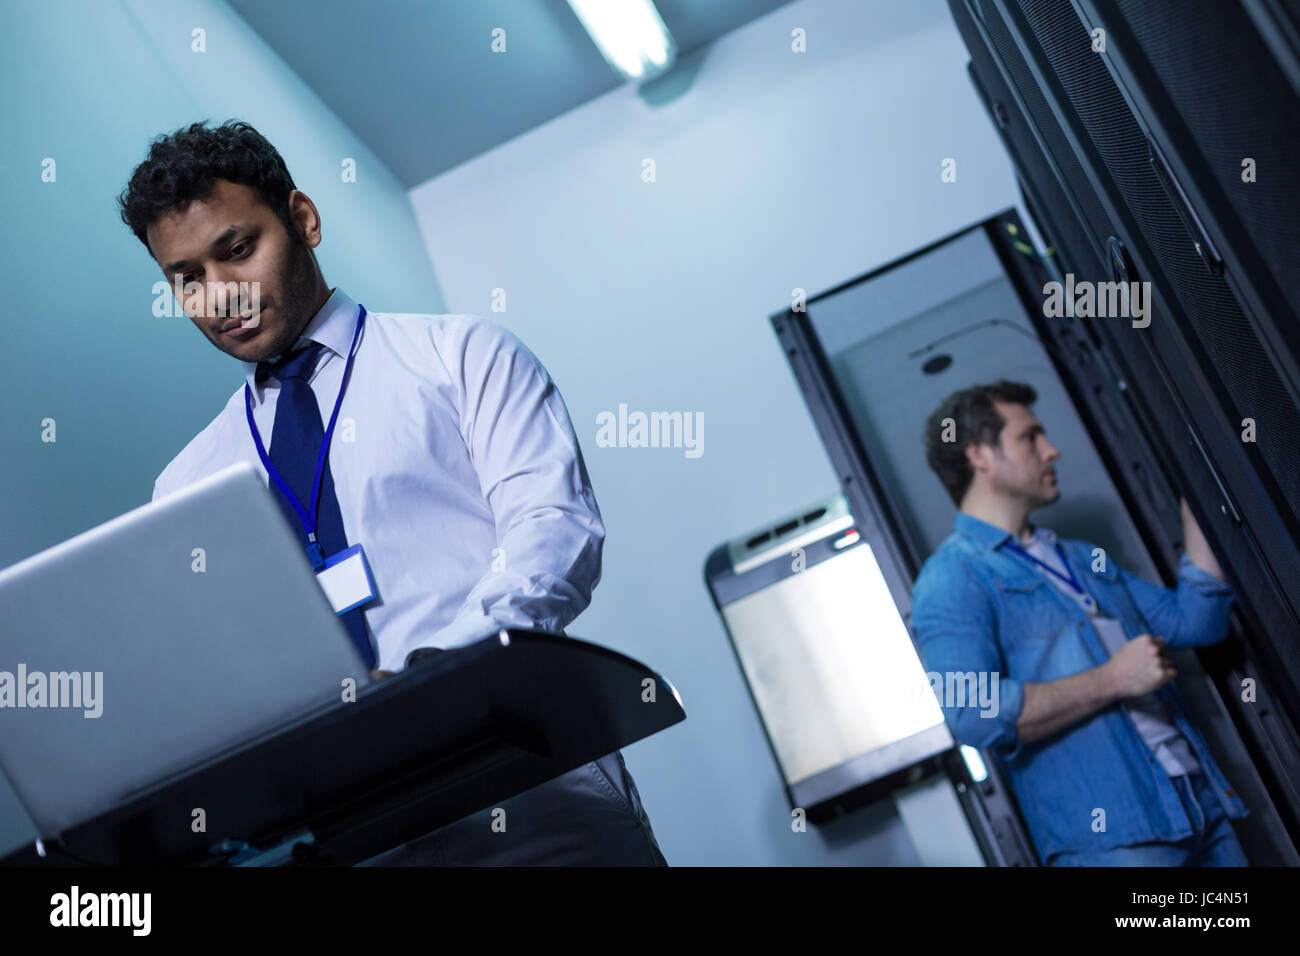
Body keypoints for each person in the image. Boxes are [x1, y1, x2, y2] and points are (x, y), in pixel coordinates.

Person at [119, 119, 666, 866]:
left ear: (303, 219)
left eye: (238, 250)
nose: (220, 295)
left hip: (532, 804)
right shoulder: (185, 484)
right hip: (350, 838)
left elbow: (553, 530)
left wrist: (437, 681)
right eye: (188, 278)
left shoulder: (462, 355)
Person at [911, 380, 1249, 866]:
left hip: (1201, 806)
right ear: (980, 455)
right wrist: (1114, 679)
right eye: (1031, 438)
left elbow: (1198, 622)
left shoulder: (1077, 557)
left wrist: (1199, 483)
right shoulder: (952, 578)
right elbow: (974, 713)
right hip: (1115, 844)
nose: (1052, 450)